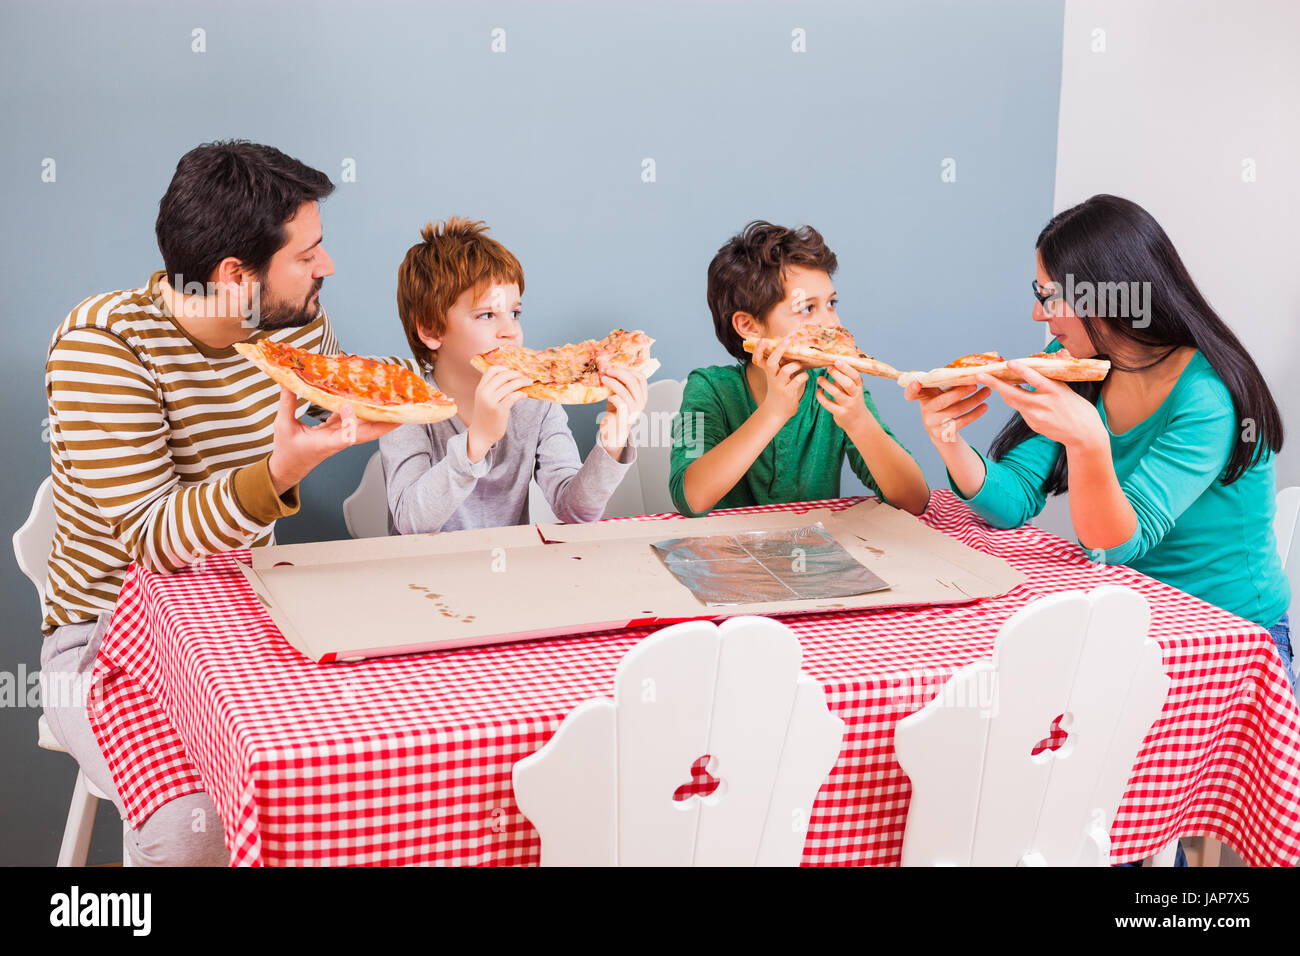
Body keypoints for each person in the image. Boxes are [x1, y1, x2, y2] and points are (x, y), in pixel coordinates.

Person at [42, 140, 407, 865]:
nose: (326, 268)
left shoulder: (294, 324)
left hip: (250, 620)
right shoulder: (102, 347)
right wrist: (277, 472)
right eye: (307, 255)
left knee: (365, 764)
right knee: (194, 827)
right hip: (104, 639)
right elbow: (152, 537)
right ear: (235, 276)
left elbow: (338, 404)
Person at [904, 194, 1293, 701]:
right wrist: (948, 439)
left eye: (1050, 295)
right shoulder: (1075, 363)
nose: (1037, 313)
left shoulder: (1208, 397)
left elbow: (1113, 546)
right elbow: (1015, 498)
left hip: (1229, 642)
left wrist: (1089, 443)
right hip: (1134, 617)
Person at [381, 218, 645, 533]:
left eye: (515, 313)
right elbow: (411, 523)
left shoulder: (537, 403)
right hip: (420, 578)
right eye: (488, 315)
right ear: (431, 329)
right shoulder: (403, 406)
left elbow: (575, 512)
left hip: (508, 574)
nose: (510, 331)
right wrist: (477, 440)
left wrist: (614, 436)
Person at [669, 220, 929, 518]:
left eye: (831, 303)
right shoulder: (709, 388)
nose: (832, 323)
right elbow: (692, 498)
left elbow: (914, 501)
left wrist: (859, 421)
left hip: (815, 553)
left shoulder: (837, 388)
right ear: (749, 326)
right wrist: (773, 413)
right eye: (807, 309)